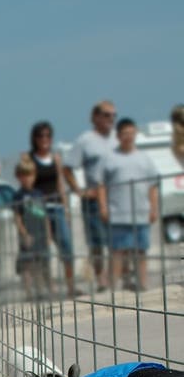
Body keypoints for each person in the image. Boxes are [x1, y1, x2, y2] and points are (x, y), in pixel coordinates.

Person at [97, 117, 158, 292]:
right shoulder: (109, 158)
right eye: (125, 133)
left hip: (141, 213)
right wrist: (103, 207)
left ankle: (143, 285)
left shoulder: (145, 158)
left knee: (141, 251)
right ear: (118, 136)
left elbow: (153, 186)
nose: (128, 136)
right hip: (118, 213)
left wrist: (153, 209)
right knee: (117, 252)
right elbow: (101, 185)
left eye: (131, 133)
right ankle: (113, 289)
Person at [63, 101, 118, 291]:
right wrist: (79, 190)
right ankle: (101, 279)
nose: (111, 119)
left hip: (118, 197)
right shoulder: (85, 140)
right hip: (94, 199)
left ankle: (118, 277)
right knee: (97, 242)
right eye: (106, 114)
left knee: (119, 239)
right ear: (95, 117)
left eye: (113, 115)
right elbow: (67, 167)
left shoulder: (117, 138)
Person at [27, 121, 80, 298]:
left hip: (56, 206)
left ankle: (71, 286)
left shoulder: (56, 158)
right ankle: (48, 287)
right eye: (41, 135)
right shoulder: (29, 158)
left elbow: (60, 183)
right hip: (38, 209)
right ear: (35, 138)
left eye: (48, 135)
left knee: (66, 246)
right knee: (43, 249)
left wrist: (66, 208)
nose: (45, 139)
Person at [13, 157, 54, 300]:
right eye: (23, 175)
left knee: (42, 264)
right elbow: (17, 217)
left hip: (41, 233)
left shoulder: (39, 194)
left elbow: (45, 216)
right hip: (28, 235)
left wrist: (49, 234)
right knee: (27, 265)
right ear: (18, 177)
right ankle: (29, 293)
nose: (27, 178)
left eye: (30, 174)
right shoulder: (18, 196)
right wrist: (24, 234)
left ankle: (44, 290)